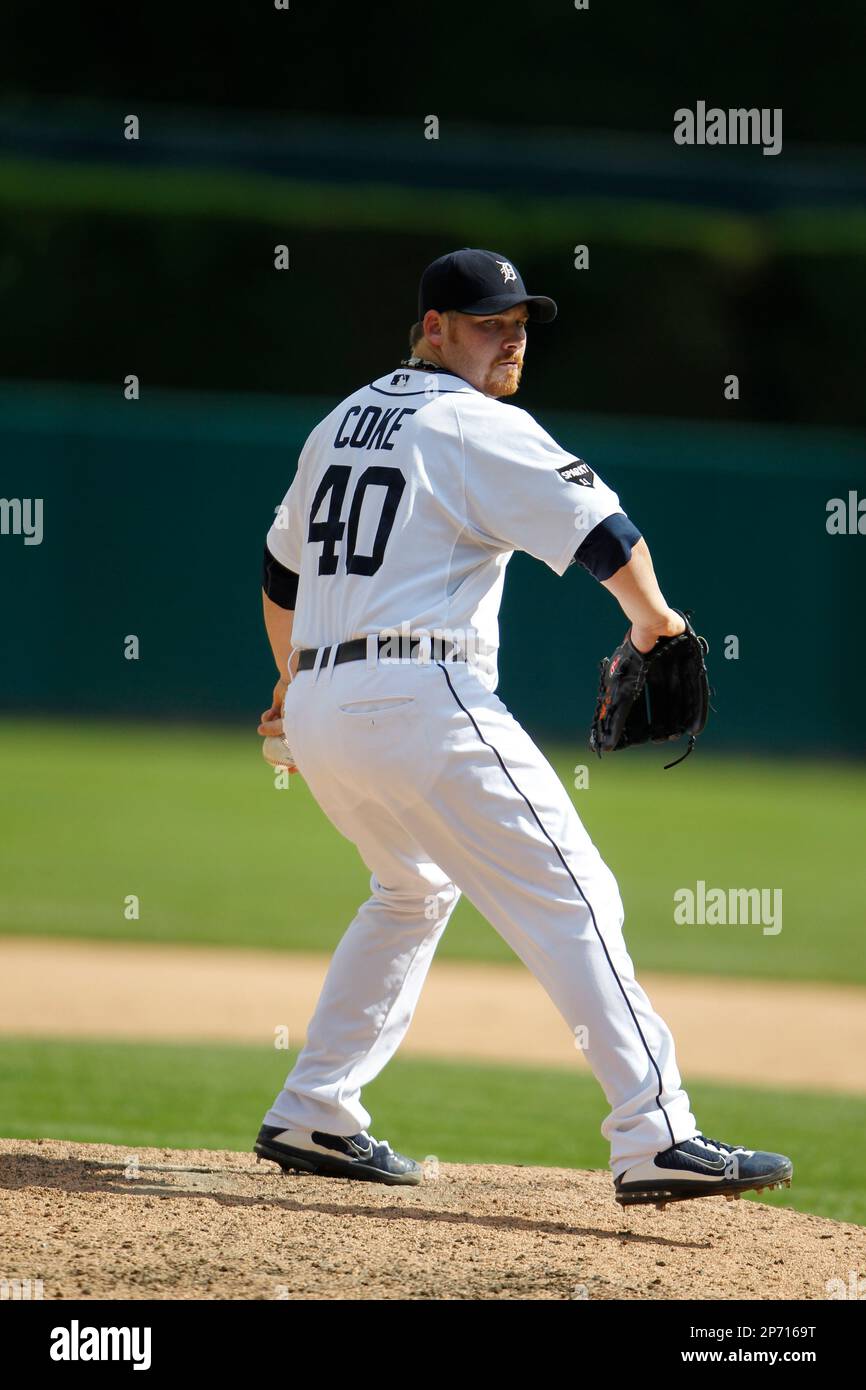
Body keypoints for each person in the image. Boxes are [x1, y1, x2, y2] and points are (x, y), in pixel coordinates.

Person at [253, 248, 793, 1209]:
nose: (511, 340)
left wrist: (291, 683)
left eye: (520, 325)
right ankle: (655, 1134)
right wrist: (657, 623)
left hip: (329, 712)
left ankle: (316, 1107)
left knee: (410, 890)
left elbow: (282, 574)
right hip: (421, 697)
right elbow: (605, 531)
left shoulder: (338, 422)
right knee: (575, 893)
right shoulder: (471, 422)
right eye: (490, 322)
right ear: (433, 328)